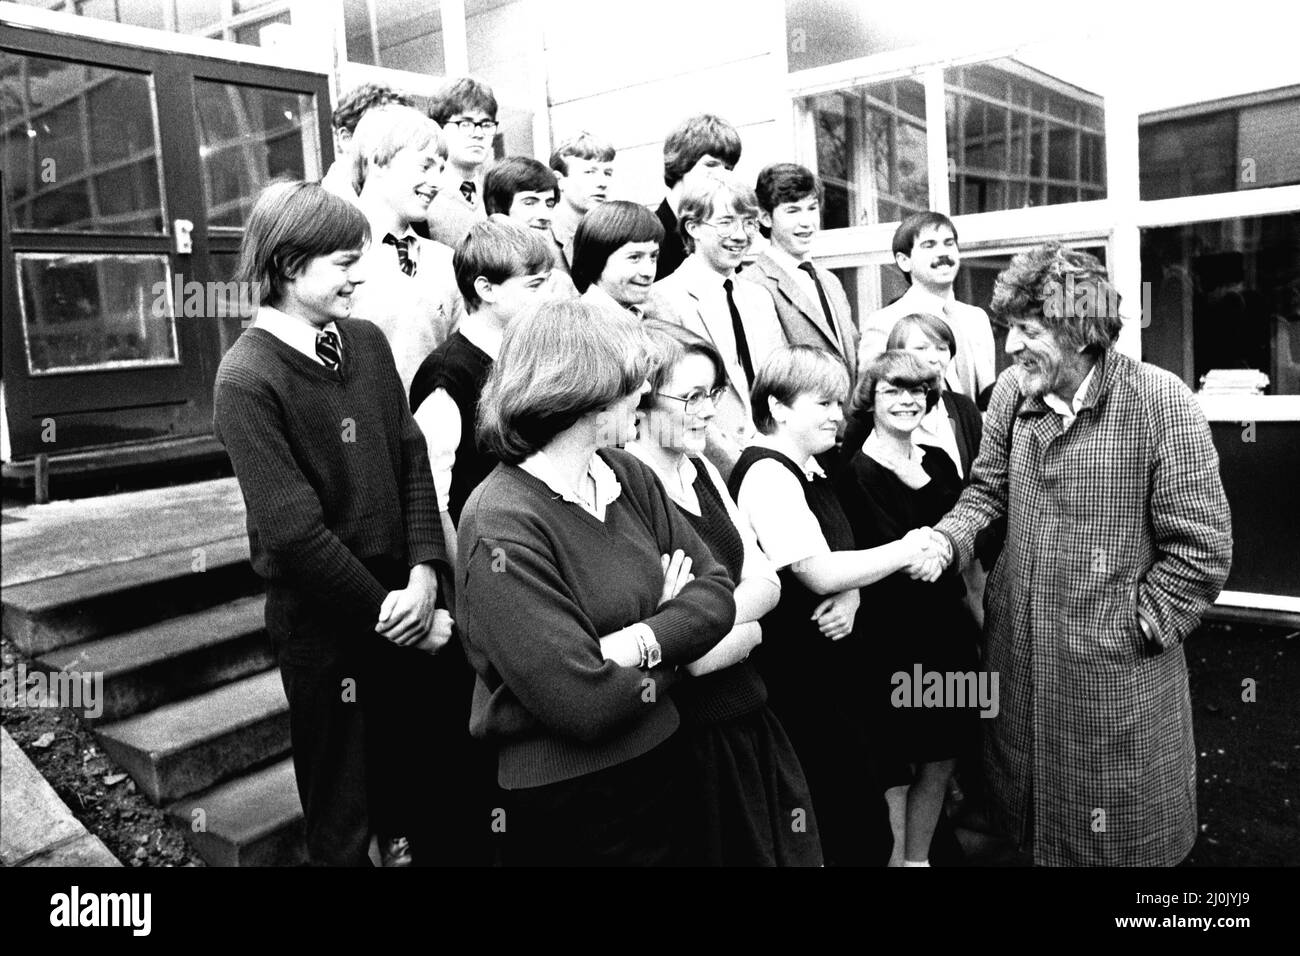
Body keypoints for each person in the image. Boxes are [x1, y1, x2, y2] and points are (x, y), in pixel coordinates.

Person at [921, 242, 1233, 866]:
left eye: (1029, 332)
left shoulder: (1159, 401)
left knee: (1117, 833)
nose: (1010, 348)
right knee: (1029, 817)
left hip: (1116, 668)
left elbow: (1201, 550)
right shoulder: (1014, 392)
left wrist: (1137, 627)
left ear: (1079, 332)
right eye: (1011, 329)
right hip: (1020, 651)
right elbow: (986, 491)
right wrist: (945, 539)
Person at [212, 180, 452, 867]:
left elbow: (410, 457)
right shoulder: (247, 379)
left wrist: (425, 574)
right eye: (346, 262)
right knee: (344, 816)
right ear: (290, 266)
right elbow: (294, 535)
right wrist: (393, 614)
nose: (362, 274)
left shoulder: (367, 344)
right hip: (328, 626)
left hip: (405, 596)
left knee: (415, 796)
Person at [458, 299, 737, 866]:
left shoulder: (625, 474)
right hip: (571, 806)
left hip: (666, 761)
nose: (643, 395)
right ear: (579, 393)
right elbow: (581, 704)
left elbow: (716, 593)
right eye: (631, 382)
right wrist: (674, 632)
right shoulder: (501, 522)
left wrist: (632, 642)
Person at [727, 345, 945, 865]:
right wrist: (910, 546)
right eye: (823, 403)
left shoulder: (814, 469)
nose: (837, 414)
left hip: (838, 675)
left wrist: (852, 590)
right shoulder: (769, 475)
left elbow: (839, 556)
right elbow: (816, 569)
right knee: (837, 824)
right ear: (778, 408)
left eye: (839, 402)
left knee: (863, 820)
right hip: (801, 683)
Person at [627, 320, 823, 866]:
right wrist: (744, 627)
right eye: (690, 396)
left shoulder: (703, 472)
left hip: (752, 720)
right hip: (688, 743)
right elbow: (683, 658)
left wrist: (703, 621)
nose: (709, 410)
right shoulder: (625, 493)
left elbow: (767, 582)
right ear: (639, 401)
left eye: (711, 393)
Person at [837, 350, 981, 867]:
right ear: (869, 399)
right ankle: (898, 861)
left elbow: (971, 536)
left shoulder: (939, 462)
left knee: (944, 754)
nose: (906, 401)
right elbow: (863, 552)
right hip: (889, 639)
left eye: (917, 390)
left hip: (949, 633)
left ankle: (919, 862)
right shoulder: (851, 472)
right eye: (892, 390)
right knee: (897, 764)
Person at [652, 173, 787, 476]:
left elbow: (781, 382)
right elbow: (671, 406)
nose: (741, 235)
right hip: (713, 470)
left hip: (776, 462)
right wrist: (740, 467)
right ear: (693, 227)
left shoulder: (760, 298)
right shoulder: (664, 299)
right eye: (726, 222)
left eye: (749, 222)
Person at [348, 104, 464, 393]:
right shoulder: (334, 254)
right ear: (377, 163)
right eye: (425, 166)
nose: (437, 183)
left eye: (440, 170)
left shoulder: (446, 261)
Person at [858, 212, 996, 408]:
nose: (943, 253)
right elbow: (870, 403)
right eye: (929, 245)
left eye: (949, 243)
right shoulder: (884, 323)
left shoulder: (976, 318)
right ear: (904, 261)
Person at [745, 163, 858, 383]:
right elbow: (772, 374)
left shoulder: (829, 280)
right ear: (766, 217)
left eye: (812, 208)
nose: (806, 222)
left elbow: (851, 352)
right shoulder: (752, 283)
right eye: (792, 211)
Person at [655, 113, 742, 281]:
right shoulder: (650, 235)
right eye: (711, 165)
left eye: (728, 168)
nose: (722, 176)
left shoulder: (724, 233)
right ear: (681, 164)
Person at [483, 157, 576, 300]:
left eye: (549, 204)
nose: (545, 215)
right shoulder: (477, 271)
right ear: (498, 208)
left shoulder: (559, 283)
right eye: (529, 203)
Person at [424, 77, 496, 247]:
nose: (478, 134)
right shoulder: (426, 196)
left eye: (486, 124)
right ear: (439, 127)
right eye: (465, 124)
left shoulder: (494, 193)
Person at [570, 199, 664, 319]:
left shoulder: (646, 316)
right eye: (634, 257)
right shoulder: (577, 324)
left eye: (653, 257)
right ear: (596, 260)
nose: (648, 272)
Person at [321, 82, 413, 204]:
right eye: (384, 132)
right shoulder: (316, 214)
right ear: (346, 138)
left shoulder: (415, 208)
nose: (398, 144)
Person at [548, 130, 616, 277]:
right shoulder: (540, 241)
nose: (602, 183)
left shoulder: (614, 236)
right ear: (559, 180)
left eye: (607, 173)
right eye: (590, 172)